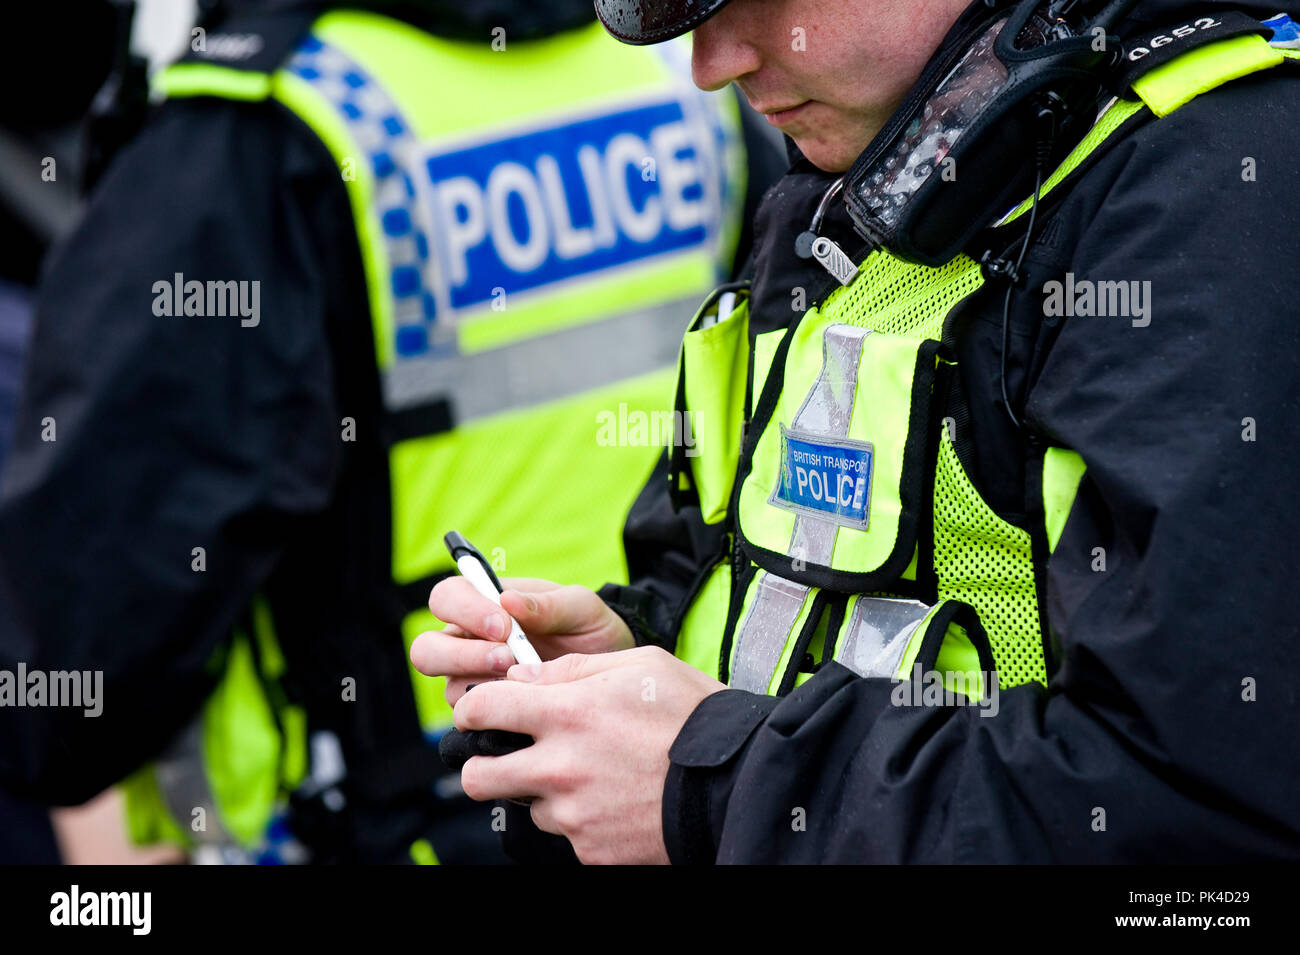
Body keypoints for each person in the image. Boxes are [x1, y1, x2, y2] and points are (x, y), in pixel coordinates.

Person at [414, 0, 1300, 863]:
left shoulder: (1220, 183)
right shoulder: (858, 165)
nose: (712, 64)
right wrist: (629, 672)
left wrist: (714, 784)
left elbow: (1197, 803)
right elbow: (744, 575)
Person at [0, 0, 784, 863]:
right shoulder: (687, 68)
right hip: (680, 786)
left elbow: (66, 691)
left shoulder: (253, 136)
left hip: (421, 813)